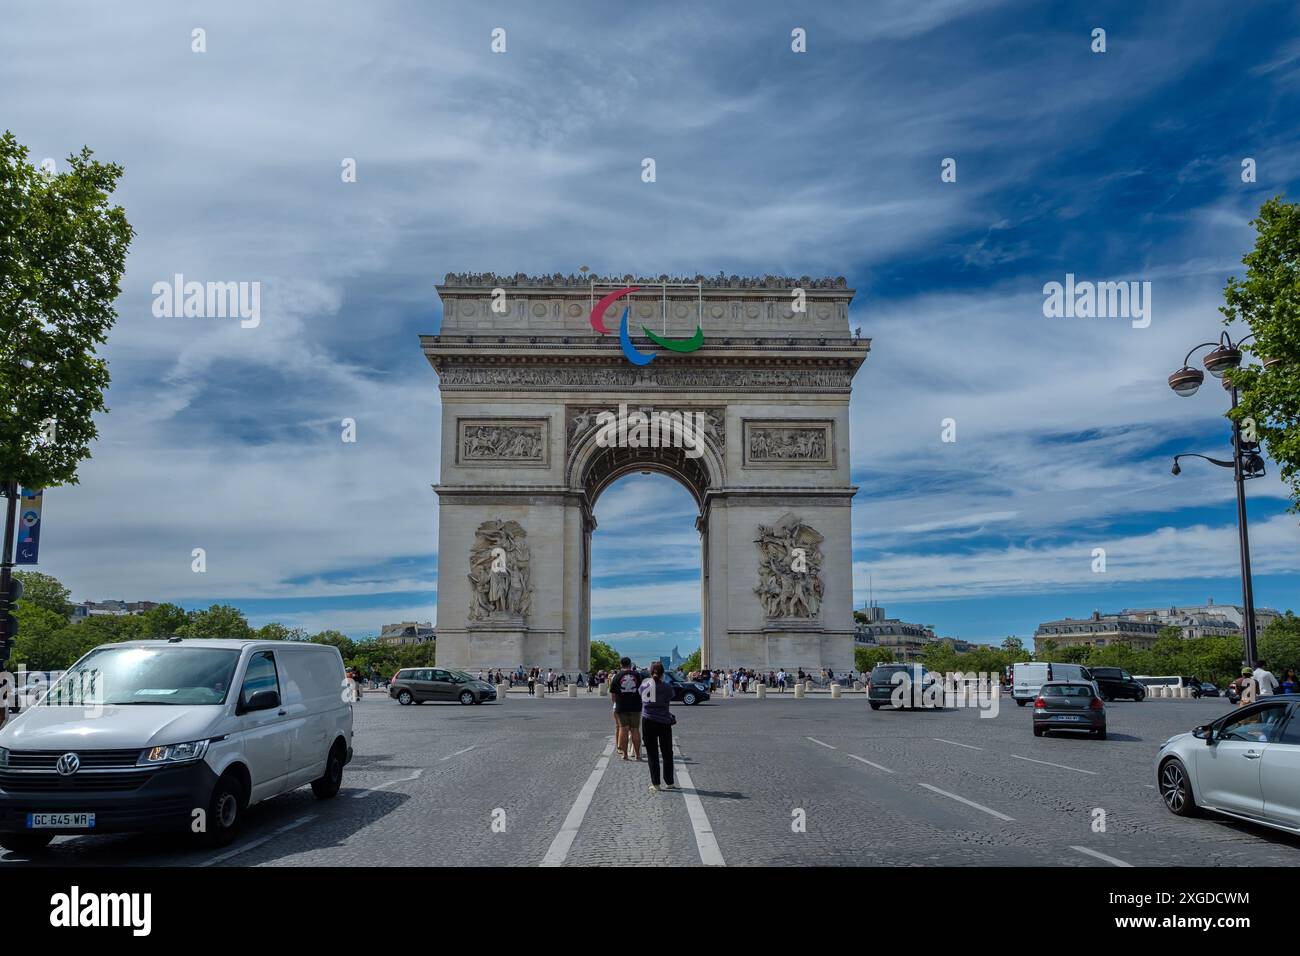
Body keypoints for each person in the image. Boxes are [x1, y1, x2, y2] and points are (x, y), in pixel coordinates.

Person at [639, 662, 676, 792]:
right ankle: (670, 781)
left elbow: (641, 697)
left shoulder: (644, 686)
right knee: (667, 752)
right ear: (663, 673)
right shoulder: (667, 687)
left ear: (650, 672)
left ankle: (656, 784)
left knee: (652, 753)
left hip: (648, 720)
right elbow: (672, 696)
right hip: (664, 721)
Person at [610, 657, 643, 760]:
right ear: (630, 664)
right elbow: (642, 690)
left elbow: (613, 695)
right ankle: (637, 754)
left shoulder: (617, 676)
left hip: (622, 706)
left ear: (621, 664)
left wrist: (617, 703)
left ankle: (624, 754)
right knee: (635, 730)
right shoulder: (637, 675)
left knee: (623, 730)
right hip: (635, 706)